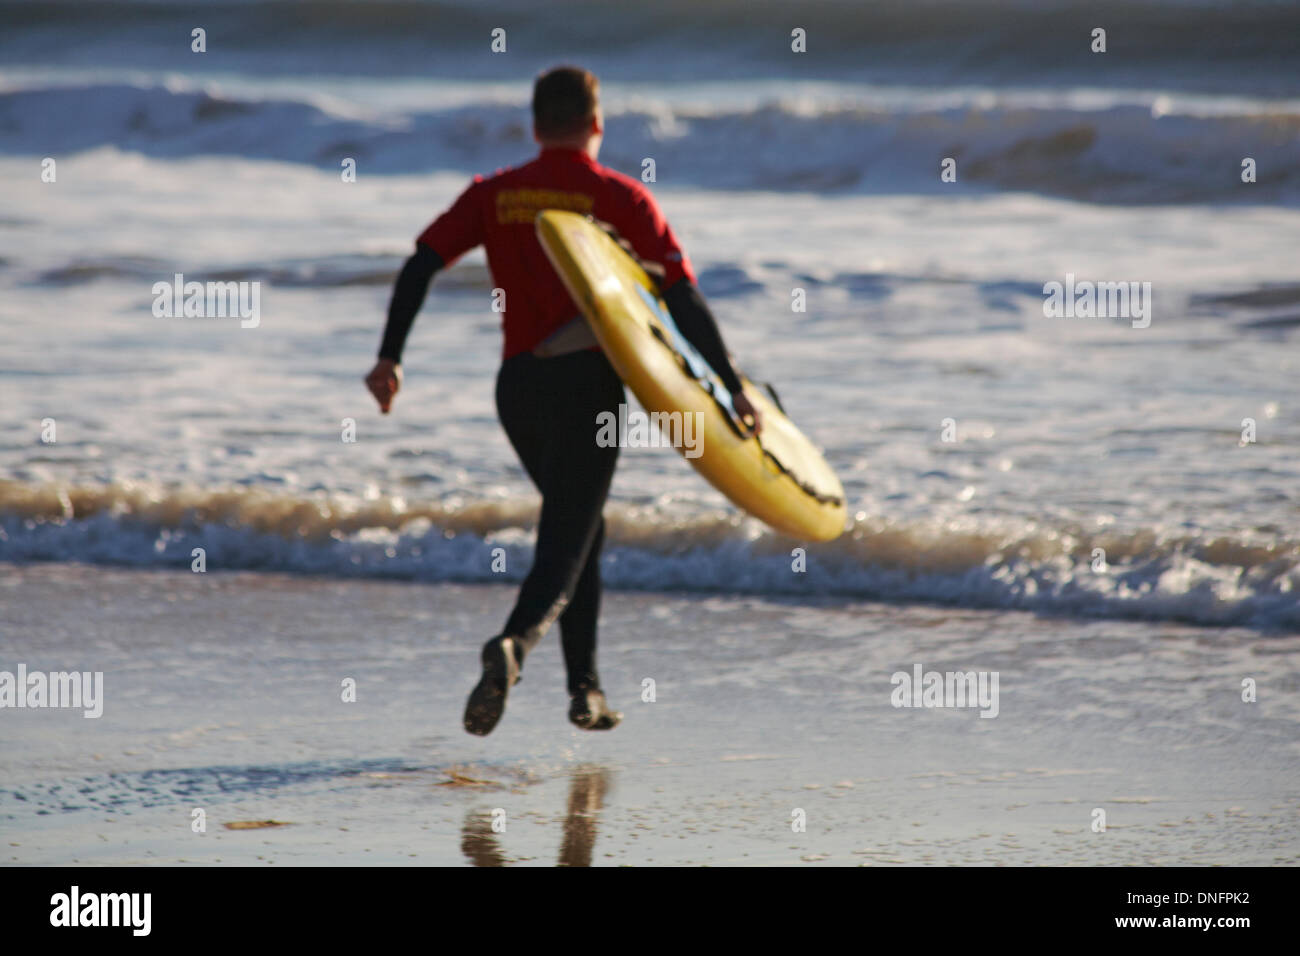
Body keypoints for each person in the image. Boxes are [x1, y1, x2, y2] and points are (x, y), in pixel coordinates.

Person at [365, 66, 762, 737]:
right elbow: (681, 298)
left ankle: (587, 692)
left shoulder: (495, 194)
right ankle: (514, 646)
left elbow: (421, 261)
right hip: (588, 391)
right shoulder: (619, 197)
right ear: (597, 124)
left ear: (535, 125)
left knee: (580, 529)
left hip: (517, 388)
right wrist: (731, 386)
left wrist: (390, 357)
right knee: (568, 540)